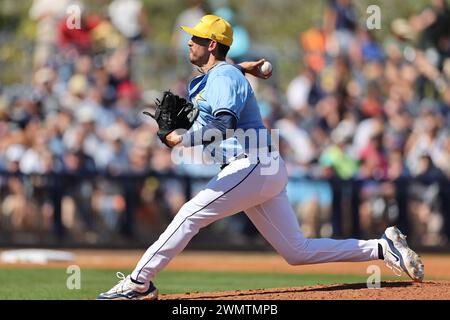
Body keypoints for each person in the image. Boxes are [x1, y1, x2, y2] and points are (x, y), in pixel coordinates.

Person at [97, 14, 424, 300]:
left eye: (195, 37)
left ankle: (138, 283)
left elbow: (225, 124)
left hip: (250, 162)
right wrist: (241, 67)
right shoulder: (223, 75)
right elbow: (223, 81)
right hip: (262, 167)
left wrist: (182, 138)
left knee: (188, 215)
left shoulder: (224, 77)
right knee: (297, 252)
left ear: (212, 44)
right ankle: (382, 248)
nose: (189, 42)